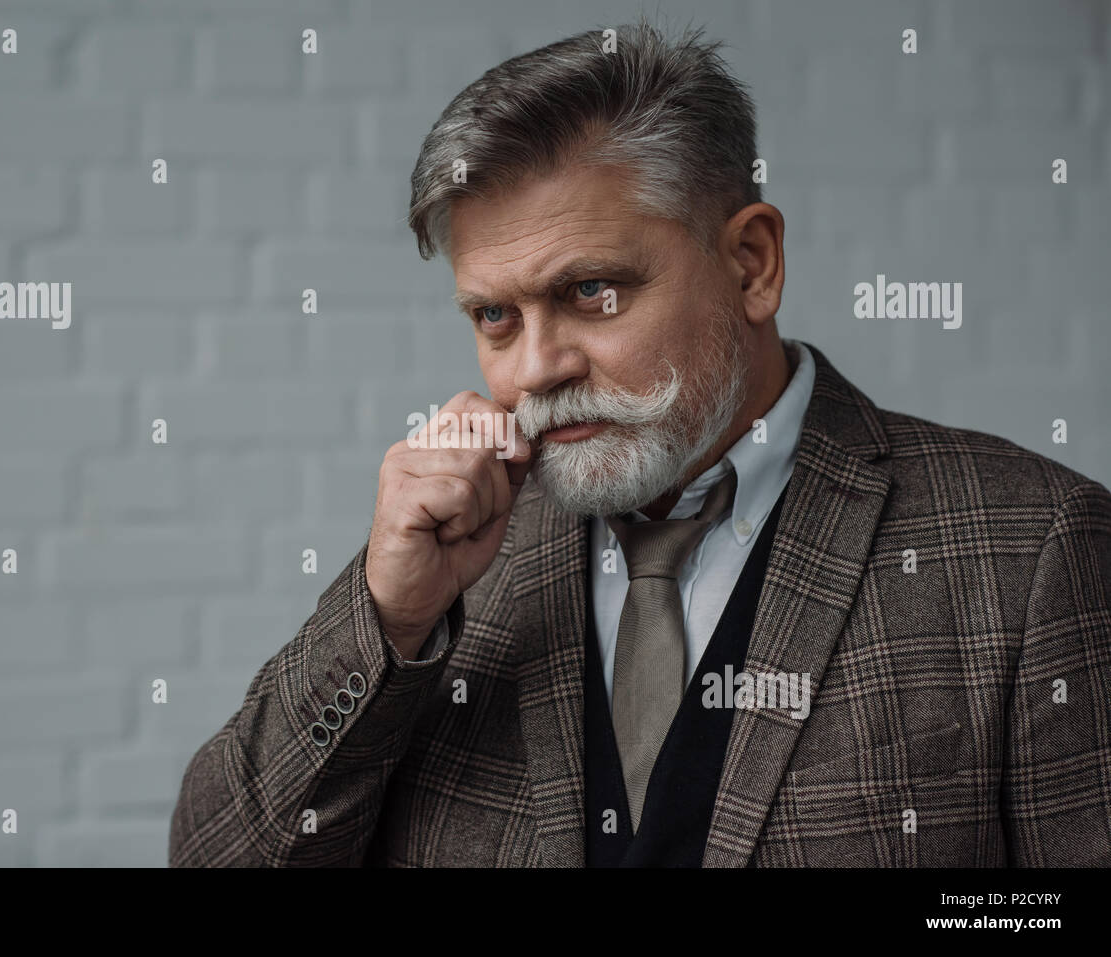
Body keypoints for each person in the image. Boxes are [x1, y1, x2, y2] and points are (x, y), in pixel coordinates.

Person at [169, 21, 1111, 867]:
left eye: (593, 293)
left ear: (752, 263)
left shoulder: (1036, 545)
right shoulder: (450, 563)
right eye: (495, 314)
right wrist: (386, 618)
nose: (535, 367)